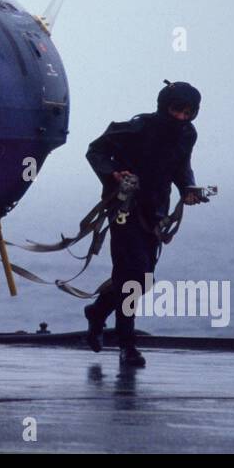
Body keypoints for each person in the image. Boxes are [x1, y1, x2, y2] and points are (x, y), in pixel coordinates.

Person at [82, 81, 208, 367]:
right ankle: (127, 345)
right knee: (132, 276)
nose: (181, 117)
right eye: (177, 109)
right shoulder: (137, 127)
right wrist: (113, 173)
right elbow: (95, 151)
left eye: (188, 112)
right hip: (124, 209)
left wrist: (188, 188)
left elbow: (181, 166)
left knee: (142, 279)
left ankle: (98, 312)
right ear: (164, 106)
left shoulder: (187, 134)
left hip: (155, 214)